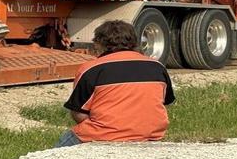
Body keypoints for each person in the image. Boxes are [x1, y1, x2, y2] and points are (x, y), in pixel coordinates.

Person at [57, 20, 174, 148]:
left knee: (53, 155)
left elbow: (77, 112)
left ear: (99, 43)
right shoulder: (158, 67)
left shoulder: (91, 69)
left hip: (103, 135)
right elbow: (164, 102)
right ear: (134, 42)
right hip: (150, 135)